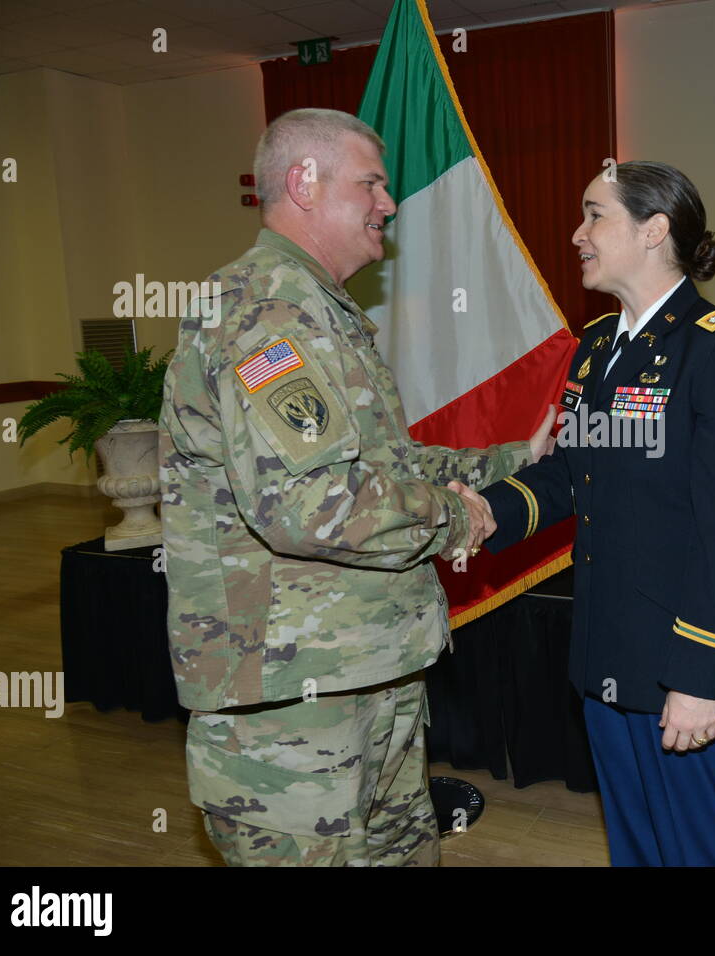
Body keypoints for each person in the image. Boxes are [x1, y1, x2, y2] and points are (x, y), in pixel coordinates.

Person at [159, 108, 550, 866]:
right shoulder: (265, 311)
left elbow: (382, 467)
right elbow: (315, 507)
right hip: (290, 715)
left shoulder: (318, 312)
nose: (389, 203)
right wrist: (455, 522)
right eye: (372, 182)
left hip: (361, 680)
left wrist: (513, 460)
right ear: (303, 182)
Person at [476, 161, 715, 866]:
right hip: (606, 654)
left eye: (594, 215)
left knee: (703, 849)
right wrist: (486, 514)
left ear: (654, 230)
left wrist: (698, 679)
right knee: (637, 849)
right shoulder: (596, 349)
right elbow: (567, 478)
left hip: (682, 661)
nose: (577, 234)